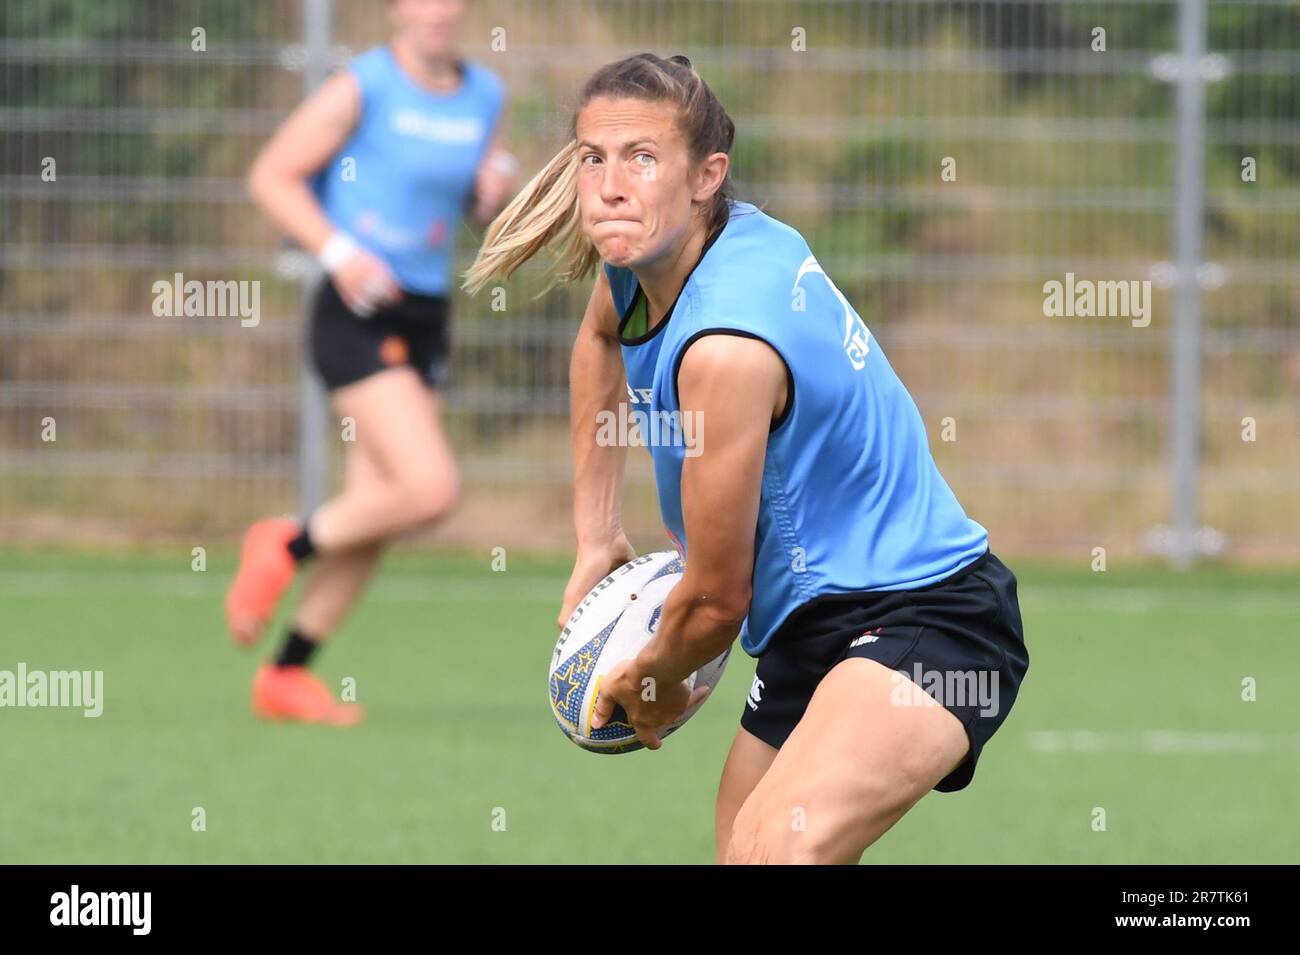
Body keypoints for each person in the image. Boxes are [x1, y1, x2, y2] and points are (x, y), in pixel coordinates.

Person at [463, 52, 1028, 864]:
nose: (610, 185)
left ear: (706, 175)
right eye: (594, 158)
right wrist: (597, 533)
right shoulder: (650, 262)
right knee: (743, 855)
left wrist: (652, 671)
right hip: (811, 625)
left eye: (643, 157)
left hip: (932, 619)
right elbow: (597, 342)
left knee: (777, 849)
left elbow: (717, 604)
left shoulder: (728, 346)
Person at [227, 0, 515, 725]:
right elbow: (271, 177)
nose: (439, 12)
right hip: (355, 310)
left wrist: (492, 195)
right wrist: (338, 252)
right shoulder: (363, 86)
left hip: (426, 314)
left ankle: (286, 674)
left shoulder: (484, 95)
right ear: (398, 9)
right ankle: (285, 541)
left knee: (374, 513)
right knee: (429, 488)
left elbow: (474, 201)